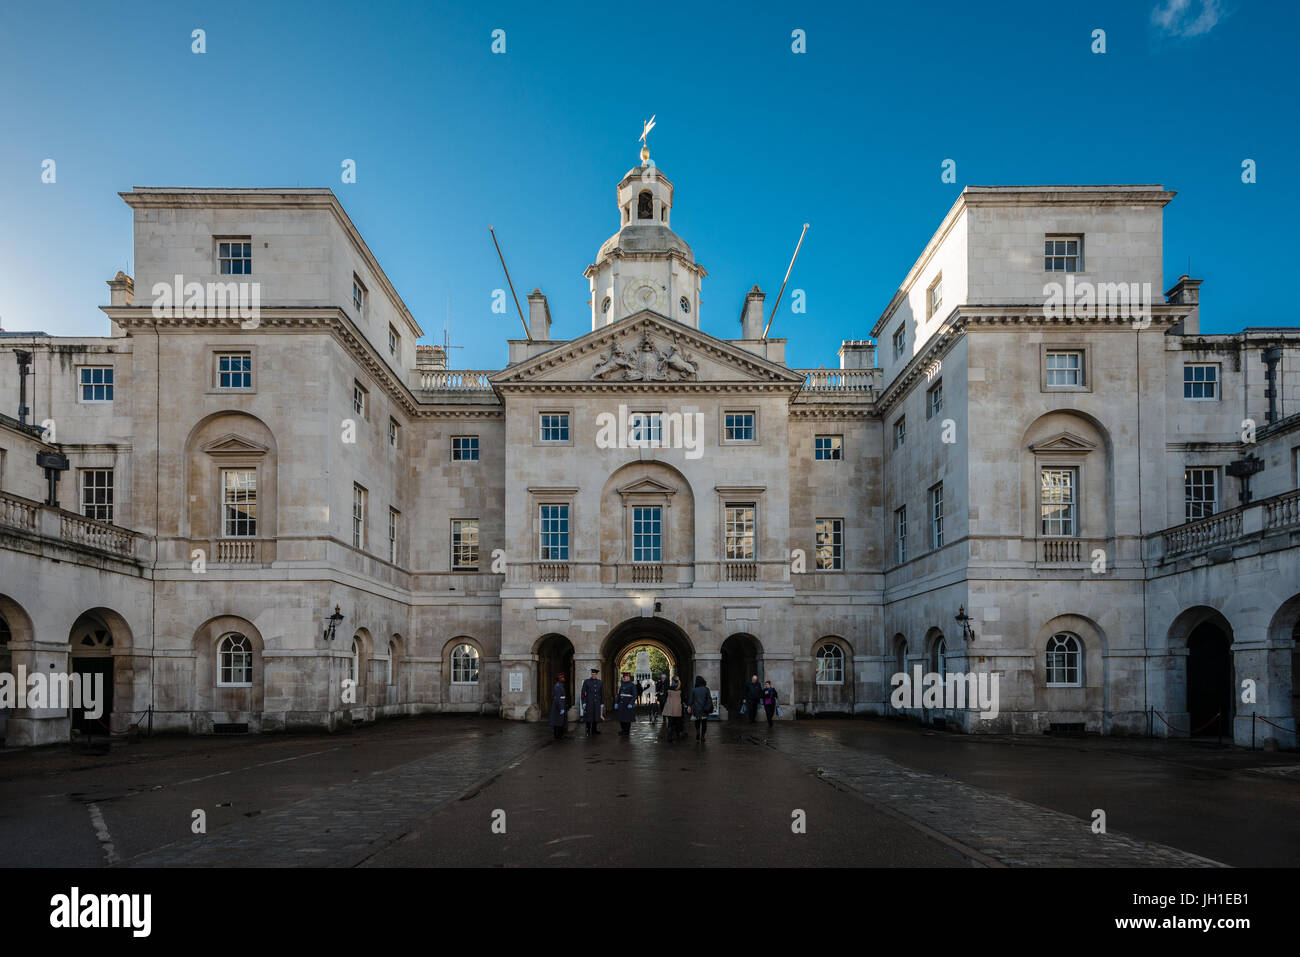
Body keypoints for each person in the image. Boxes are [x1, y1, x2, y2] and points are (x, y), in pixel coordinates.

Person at [688, 675, 713, 741]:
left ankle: (698, 732)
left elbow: (691, 700)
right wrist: (707, 707)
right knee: (704, 723)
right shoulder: (706, 689)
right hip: (704, 709)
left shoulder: (693, 689)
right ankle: (703, 736)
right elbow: (709, 700)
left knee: (697, 722)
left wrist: (689, 706)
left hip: (696, 709)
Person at [580, 667, 603, 736]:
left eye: (595, 674)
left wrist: (602, 703)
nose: (593, 675)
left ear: (597, 675)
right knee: (589, 717)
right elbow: (583, 693)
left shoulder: (600, 682)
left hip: (597, 702)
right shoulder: (587, 682)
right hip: (589, 702)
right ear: (591, 674)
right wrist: (583, 702)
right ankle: (587, 730)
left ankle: (594, 730)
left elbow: (602, 694)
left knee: (596, 716)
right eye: (592, 674)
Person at [662, 676, 684, 742]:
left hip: (670, 708)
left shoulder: (668, 688)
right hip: (677, 708)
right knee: (677, 722)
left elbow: (665, 697)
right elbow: (682, 699)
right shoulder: (680, 688)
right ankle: (677, 735)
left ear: (672, 681)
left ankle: (669, 737)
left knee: (670, 724)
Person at [549, 673, 569, 739]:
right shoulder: (558, 686)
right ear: (559, 679)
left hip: (560, 704)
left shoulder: (560, 685)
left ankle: (559, 735)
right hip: (558, 705)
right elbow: (558, 698)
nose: (564, 679)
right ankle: (558, 735)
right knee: (558, 721)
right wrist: (561, 708)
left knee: (559, 721)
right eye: (562, 678)